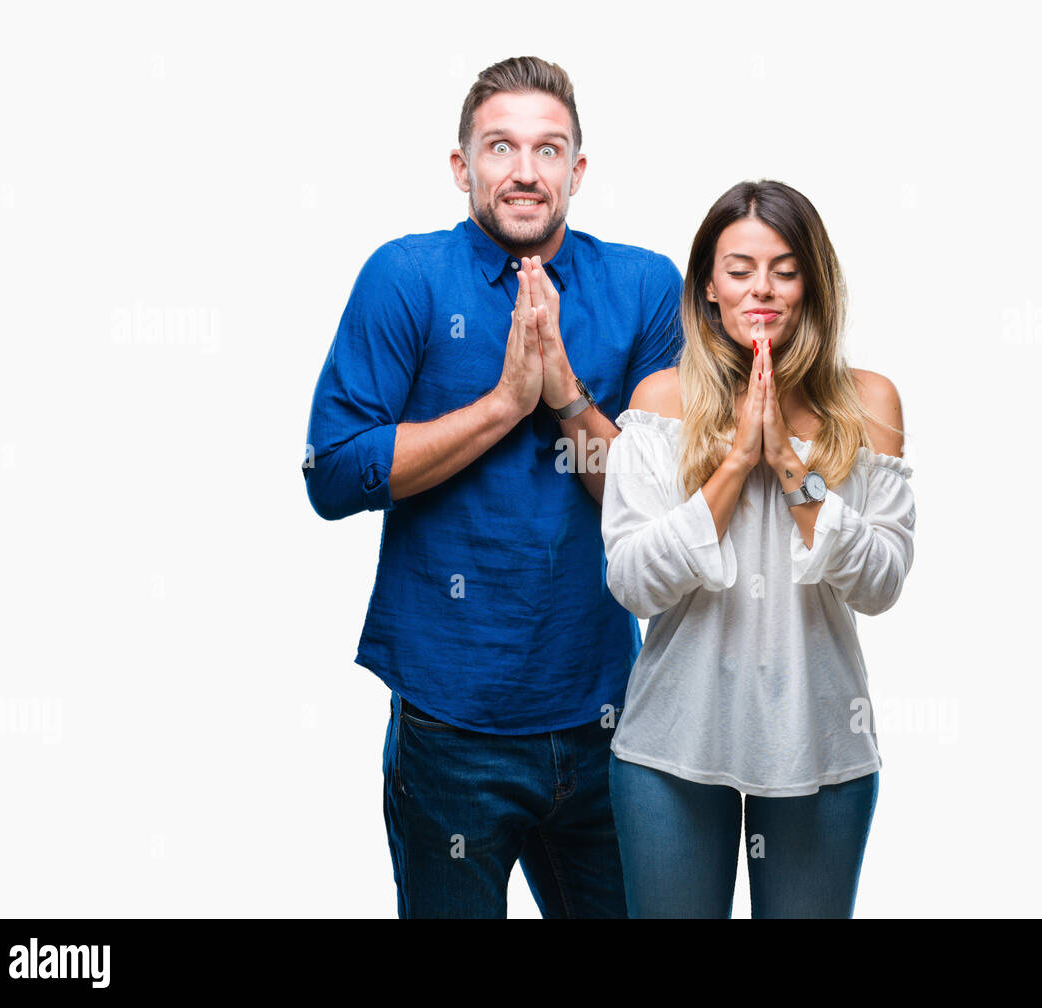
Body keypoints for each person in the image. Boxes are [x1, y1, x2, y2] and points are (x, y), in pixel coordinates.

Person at [301, 56, 685, 918]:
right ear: (461, 166)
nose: (524, 170)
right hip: (450, 731)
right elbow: (332, 474)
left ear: (577, 172)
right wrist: (508, 404)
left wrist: (568, 400)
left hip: (608, 721)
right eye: (500, 146)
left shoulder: (646, 287)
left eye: (548, 150)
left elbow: (662, 507)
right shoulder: (405, 279)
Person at [600, 179, 916, 918]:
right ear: (708, 285)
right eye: (739, 269)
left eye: (784, 268)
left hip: (820, 743)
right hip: (671, 748)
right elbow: (633, 583)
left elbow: (883, 582)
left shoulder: (870, 402)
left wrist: (792, 472)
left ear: (812, 282)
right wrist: (737, 463)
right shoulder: (659, 402)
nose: (761, 290)